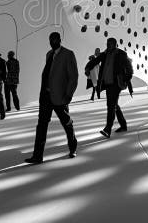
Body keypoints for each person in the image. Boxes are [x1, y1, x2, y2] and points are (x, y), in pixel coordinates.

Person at [25, 32, 79, 164]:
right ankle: (38, 156)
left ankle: (72, 148)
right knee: (41, 125)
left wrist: (68, 95)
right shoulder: (48, 54)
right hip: (45, 96)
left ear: (60, 40)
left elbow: (73, 77)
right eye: (51, 40)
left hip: (60, 96)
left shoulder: (68, 54)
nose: (53, 41)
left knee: (66, 123)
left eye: (55, 39)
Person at [84, 37, 133, 138]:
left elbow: (129, 69)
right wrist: (88, 67)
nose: (108, 45)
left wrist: (124, 79)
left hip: (116, 84)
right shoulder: (105, 54)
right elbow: (95, 60)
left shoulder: (121, 54)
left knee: (111, 105)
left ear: (115, 44)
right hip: (107, 83)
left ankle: (108, 129)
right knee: (114, 104)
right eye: (107, 43)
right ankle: (123, 125)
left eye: (110, 44)